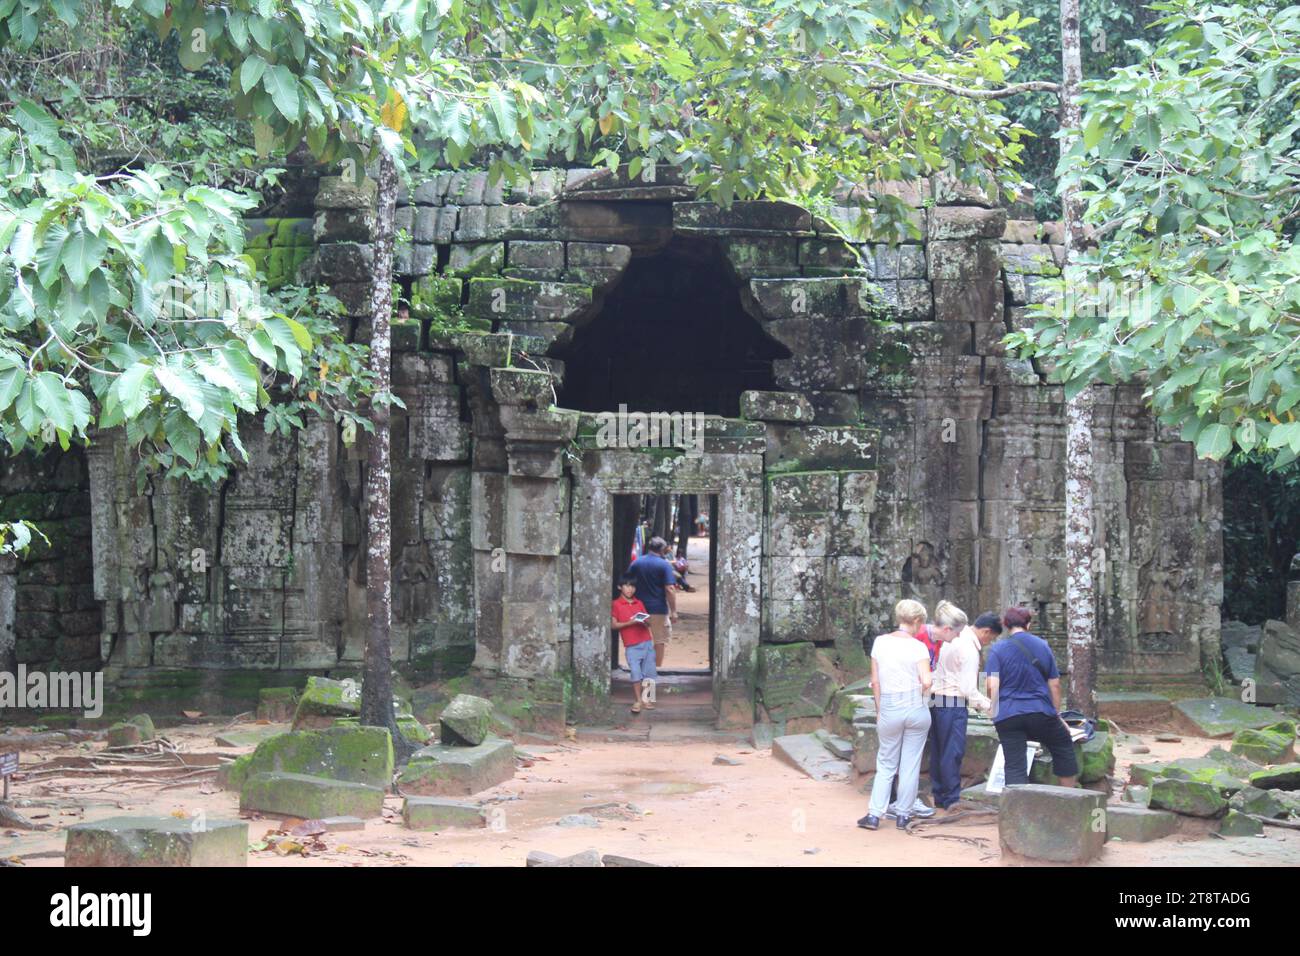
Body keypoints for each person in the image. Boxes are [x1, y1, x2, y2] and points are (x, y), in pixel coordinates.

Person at [859, 599, 933, 831]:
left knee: (887, 762)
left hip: (890, 705)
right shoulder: (918, 647)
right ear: (918, 621)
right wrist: (920, 695)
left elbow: (875, 682)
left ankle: (874, 814)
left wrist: (880, 710)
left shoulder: (880, 643)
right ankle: (903, 814)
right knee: (910, 764)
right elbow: (927, 681)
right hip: (916, 707)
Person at [983, 606, 1078, 787]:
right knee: (1063, 744)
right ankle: (1069, 796)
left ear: (1006, 625)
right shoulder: (1042, 645)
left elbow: (990, 684)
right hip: (1040, 712)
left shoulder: (997, 649)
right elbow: (1055, 684)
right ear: (1028, 624)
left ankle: (1017, 809)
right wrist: (1056, 714)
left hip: (1008, 714)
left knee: (1014, 763)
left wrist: (994, 709)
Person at [926, 601, 994, 813]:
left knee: (938, 748)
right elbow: (967, 689)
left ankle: (939, 794)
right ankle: (952, 798)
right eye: (991, 637)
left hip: (936, 699)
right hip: (953, 702)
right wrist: (989, 707)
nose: (989, 641)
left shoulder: (951, 639)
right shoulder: (968, 647)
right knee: (952, 751)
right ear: (986, 631)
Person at [626, 536, 677, 667]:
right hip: (658, 609)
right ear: (662, 550)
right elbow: (670, 589)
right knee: (659, 640)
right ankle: (656, 669)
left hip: (638, 609)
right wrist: (674, 611)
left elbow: (627, 584)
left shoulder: (636, 563)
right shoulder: (664, 565)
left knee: (638, 639)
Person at [611, 576, 656, 714]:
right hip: (631, 644)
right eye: (626, 586)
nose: (630, 589)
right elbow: (614, 625)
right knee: (636, 673)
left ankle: (647, 699)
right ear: (620, 587)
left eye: (632, 586)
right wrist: (630, 623)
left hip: (646, 641)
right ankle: (637, 700)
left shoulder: (639, 603)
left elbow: (649, 622)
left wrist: (644, 621)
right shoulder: (616, 604)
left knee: (649, 673)